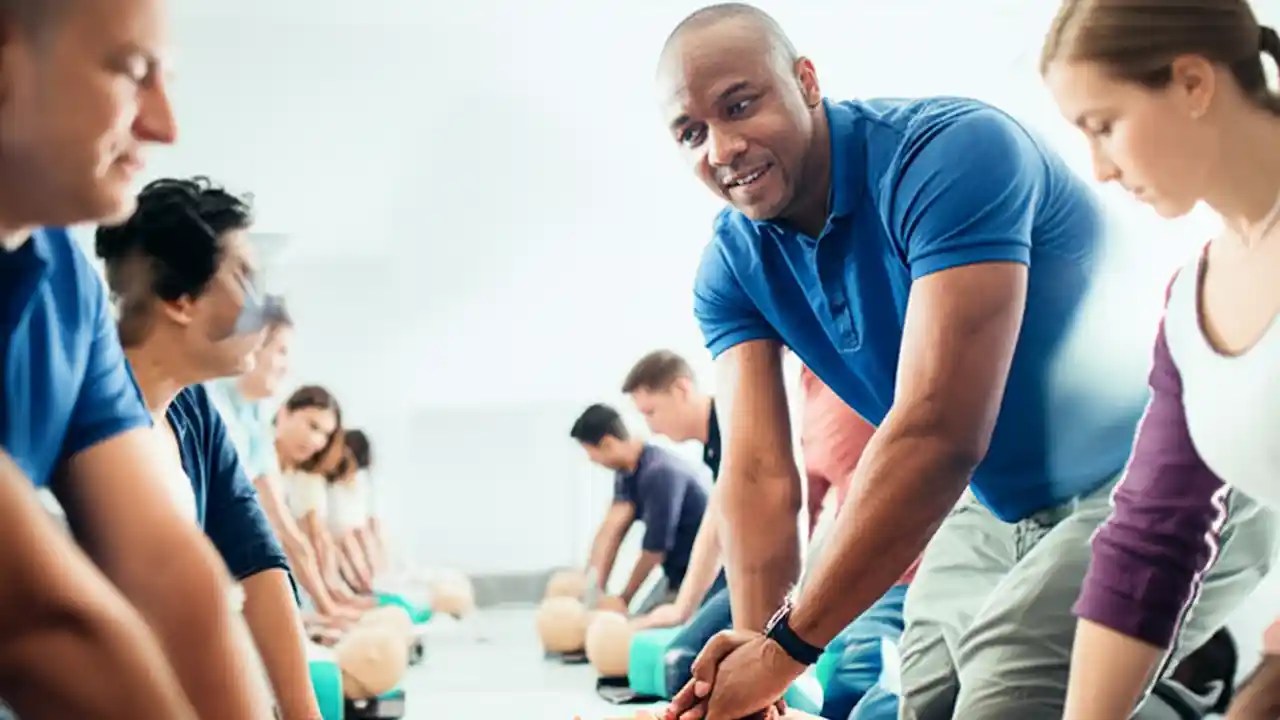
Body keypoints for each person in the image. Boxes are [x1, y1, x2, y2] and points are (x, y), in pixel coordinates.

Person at [655, 3, 1275, 719]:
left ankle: (1173, 691)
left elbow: (939, 432)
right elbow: (759, 477)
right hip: (995, 508)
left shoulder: (952, 155)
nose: (723, 146)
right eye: (691, 132)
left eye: (740, 105)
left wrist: (784, 649)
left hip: (1136, 477)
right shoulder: (731, 265)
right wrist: (757, 674)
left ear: (805, 81)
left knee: (1008, 691)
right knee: (930, 699)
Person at [0, 0, 275, 716]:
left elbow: (172, 573)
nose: (165, 125)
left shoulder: (62, 276)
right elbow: (42, 626)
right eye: (131, 72)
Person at [1040, 2, 1280, 718]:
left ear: (1193, 84)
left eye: (1104, 126)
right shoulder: (1190, 305)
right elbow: (1153, 537)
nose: (1101, 170)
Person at [94, 175, 322, 720]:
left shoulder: (194, 409)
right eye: (245, 278)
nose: (262, 311)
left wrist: (303, 712)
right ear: (180, 299)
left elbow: (257, 558)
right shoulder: (89, 411)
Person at [206, 313, 367, 626]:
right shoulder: (213, 403)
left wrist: (328, 606)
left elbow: (285, 533)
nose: (285, 367)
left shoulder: (252, 421)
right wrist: (324, 609)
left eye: (324, 435)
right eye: (279, 350)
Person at [622, 350, 726, 631]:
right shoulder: (714, 446)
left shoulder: (734, 429)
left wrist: (685, 608)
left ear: (681, 389)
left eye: (651, 412)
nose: (651, 429)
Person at [571, 403, 709, 609]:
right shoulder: (626, 471)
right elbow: (611, 531)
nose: (592, 460)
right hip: (675, 575)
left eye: (591, 453)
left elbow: (654, 551)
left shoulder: (659, 472)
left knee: (636, 630)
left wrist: (623, 600)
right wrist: (592, 591)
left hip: (702, 578)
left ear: (608, 444)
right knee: (628, 619)